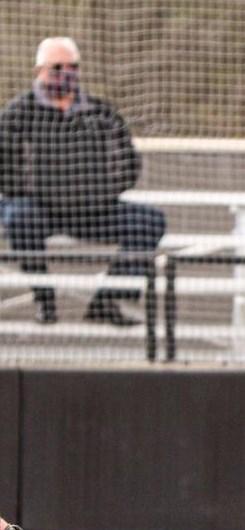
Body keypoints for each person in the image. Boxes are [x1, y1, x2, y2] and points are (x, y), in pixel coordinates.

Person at [0, 36, 165, 326]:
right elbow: (5, 170)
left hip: (93, 212)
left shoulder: (101, 113)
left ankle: (107, 301)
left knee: (149, 220)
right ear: (39, 70)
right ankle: (44, 298)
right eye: (57, 67)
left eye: (72, 67)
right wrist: (42, 192)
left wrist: (97, 194)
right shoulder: (17, 115)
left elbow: (127, 162)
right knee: (19, 216)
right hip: (39, 211)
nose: (66, 73)